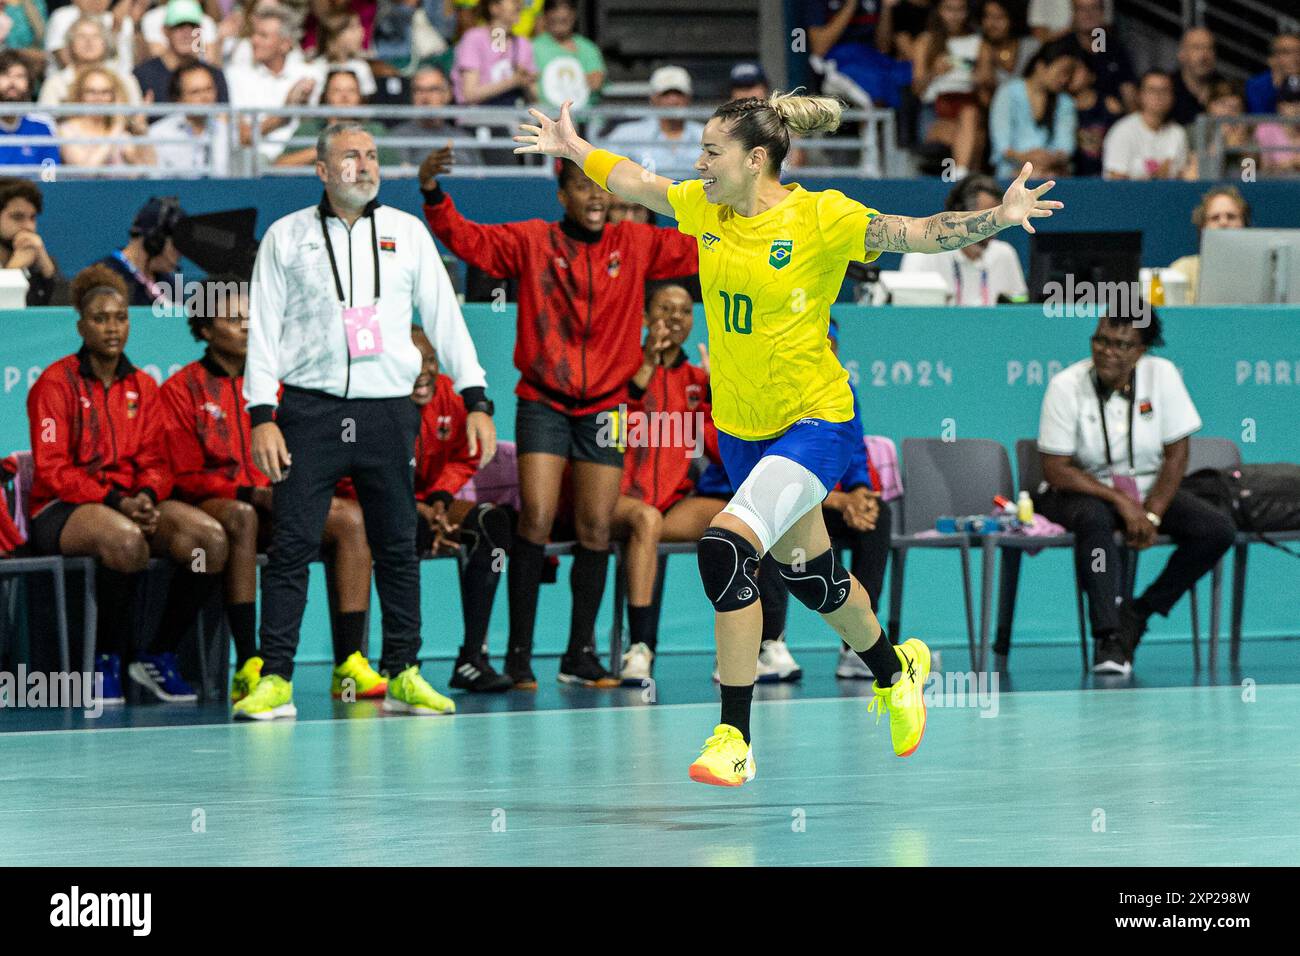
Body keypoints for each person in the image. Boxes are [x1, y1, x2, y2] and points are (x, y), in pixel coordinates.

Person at [514, 91, 1061, 782]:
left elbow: (917, 232)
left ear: (756, 158)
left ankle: (733, 738)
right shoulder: (705, 208)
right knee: (816, 582)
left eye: (712, 152)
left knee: (723, 549)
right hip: (743, 433)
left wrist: (999, 217)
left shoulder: (822, 216)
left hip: (814, 421)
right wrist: (574, 149)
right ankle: (899, 672)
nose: (700, 163)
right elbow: (635, 180)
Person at [237, 121, 495, 720]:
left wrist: (477, 400)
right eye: (350, 156)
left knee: (398, 546)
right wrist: (261, 415)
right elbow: (264, 334)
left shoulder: (407, 234)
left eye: (373, 155)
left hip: (387, 411)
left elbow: (446, 322)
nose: (365, 164)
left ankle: (403, 670)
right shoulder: (286, 236)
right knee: (293, 547)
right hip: (308, 410)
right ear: (323, 171)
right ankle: (275, 678)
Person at [418, 146, 698, 688]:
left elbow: (699, 248)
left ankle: (579, 654)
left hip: (607, 407)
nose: (596, 197)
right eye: (583, 187)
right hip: (543, 402)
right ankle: (520, 657)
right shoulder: (531, 240)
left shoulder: (637, 244)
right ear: (562, 194)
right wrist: (433, 197)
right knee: (537, 519)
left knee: (596, 527)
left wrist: (746, 209)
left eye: (603, 188)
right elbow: (469, 241)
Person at [162, 275, 382, 705]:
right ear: (204, 330)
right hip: (224, 507)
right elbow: (182, 474)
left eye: (252, 317)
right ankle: (250, 665)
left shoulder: (282, 384)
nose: (246, 325)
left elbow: (318, 455)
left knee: (351, 520)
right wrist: (248, 492)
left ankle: (351, 662)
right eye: (233, 318)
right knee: (242, 518)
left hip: (282, 503)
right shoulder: (181, 390)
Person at [26, 264, 230, 705]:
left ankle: (157, 652)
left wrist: (149, 494)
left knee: (207, 543)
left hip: (132, 504)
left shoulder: (143, 386)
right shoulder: (54, 384)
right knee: (125, 542)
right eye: (100, 318)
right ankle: (106, 659)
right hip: (62, 508)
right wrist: (116, 499)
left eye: (120, 317)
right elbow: (52, 468)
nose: (112, 327)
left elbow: (158, 459)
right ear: (81, 324)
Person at [1035, 309, 1235, 675]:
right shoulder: (1066, 385)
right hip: (1080, 488)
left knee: (1217, 530)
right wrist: (1122, 501)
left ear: (1142, 350)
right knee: (1094, 520)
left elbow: (1177, 455)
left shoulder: (1163, 376)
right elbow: (1056, 468)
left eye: (1121, 345)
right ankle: (1108, 635)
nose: (1108, 352)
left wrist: (1154, 512)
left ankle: (1138, 613)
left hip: (1146, 489)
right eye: (1101, 341)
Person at [610, 282, 718, 682]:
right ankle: (639, 649)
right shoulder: (621, 365)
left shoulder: (695, 378)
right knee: (645, 520)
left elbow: (719, 448)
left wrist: (716, 397)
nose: (675, 317)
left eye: (685, 310)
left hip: (669, 505)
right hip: (615, 502)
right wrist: (644, 367)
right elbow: (613, 427)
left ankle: (744, 648)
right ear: (643, 318)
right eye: (665, 309)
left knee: (739, 519)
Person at [405, 326, 515, 692]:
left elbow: (465, 455)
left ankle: (472, 659)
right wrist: (416, 506)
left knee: (491, 525)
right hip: (386, 503)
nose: (424, 370)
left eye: (431, 360)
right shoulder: (378, 401)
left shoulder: (452, 396)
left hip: (435, 500)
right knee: (407, 530)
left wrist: (439, 498)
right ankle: (403, 663)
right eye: (414, 360)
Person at [900, 173, 1027, 304]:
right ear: (959, 214)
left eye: (995, 220)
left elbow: (1020, 304)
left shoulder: (1004, 254)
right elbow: (907, 313)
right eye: (985, 220)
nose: (992, 230)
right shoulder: (921, 254)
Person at [225, 2, 320, 164]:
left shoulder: (309, 75)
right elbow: (243, 137)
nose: (254, 40)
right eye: (254, 34)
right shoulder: (235, 76)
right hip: (257, 162)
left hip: (300, 158)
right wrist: (284, 113)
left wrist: (305, 104)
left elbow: (318, 127)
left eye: (263, 36)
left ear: (285, 44)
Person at [911, 0, 982, 178]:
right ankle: (962, 178)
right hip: (935, 110)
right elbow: (916, 89)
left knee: (971, 119)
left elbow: (988, 81)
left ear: (967, 12)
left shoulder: (978, 42)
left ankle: (957, 177)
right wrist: (934, 71)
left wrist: (978, 77)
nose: (954, 16)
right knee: (972, 137)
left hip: (967, 102)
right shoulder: (925, 41)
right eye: (949, 9)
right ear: (939, 11)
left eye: (960, 10)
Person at [988, 39, 1078, 179]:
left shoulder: (1065, 102)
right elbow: (1002, 147)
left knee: (1048, 176)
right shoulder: (1008, 92)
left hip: (1052, 173)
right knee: (1036, 176)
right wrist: (1026, 158)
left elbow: (1066, 147)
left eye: (1068, 75)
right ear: (1041, 66)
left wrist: (1049, 159)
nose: (1064, 79)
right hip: (1011, 173)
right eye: (1061, 72)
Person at [274, 68, 400, 166]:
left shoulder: (375, 131)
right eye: (337, 91)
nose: (344, 96)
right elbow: (278, 166)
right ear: (326, 97)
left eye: (351, 91)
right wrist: (324, 150)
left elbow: (395, 171)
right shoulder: (309, 129)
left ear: (360, 98)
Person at [604, 66, 705, 178]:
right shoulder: (625, 135)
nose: (673, 100)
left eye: (679, 94)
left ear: (688, 98)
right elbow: (606, 171)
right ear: (653, 99)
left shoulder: (706, 135)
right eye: (665, 94)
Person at [146, 57, 232, 176]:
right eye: (195, 92)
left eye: (209, 89)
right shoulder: (158, 135)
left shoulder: (229, 134)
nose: (205, 97)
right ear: (178, 99)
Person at [57, 66, 156, 169]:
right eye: (91, 92)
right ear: (80, 95)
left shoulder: (121, 134)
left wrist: (141, 132)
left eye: (105, 92)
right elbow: (86, 172)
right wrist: (117, 126)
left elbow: (147, 169)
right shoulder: (67, 130)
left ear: (114, 97)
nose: (98, 98)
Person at [133, 0, 231, 104]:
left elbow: (224, 116)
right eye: (179, 26)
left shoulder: (215, 76)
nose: (186, 33)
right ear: (165, 30)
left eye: (192, 26)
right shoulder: (143, 75)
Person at [1165, 185, 1250, 304]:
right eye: (1215, 218)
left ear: (1244, 224)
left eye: (1231, 217)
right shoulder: (1183, 270)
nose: (1223, 222)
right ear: (1202, 227)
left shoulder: (1263, 273)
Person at [95, 196, 183, 308]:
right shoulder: (101, 278)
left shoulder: (168, 283)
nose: (181, 253)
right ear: (154, 242)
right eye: (177, 245)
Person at [39, 15, 144, 107]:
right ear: (70, 45)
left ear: (106, 43)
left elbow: (139, 123)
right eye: (81, 36)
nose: (89, 41)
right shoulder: (55, 84)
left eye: (96, 36)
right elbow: (44, 124)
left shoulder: (125, 81)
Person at [1101, 70, 1188, 180]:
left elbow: (1182, 176)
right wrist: (1158, 173)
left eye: (1164, 90)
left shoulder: (1178, 133)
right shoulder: (1123, 131)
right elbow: (1115, 179)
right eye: (1152, 90)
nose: (1158, 96)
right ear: (1140, 95)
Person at [389, 65, 483, 166]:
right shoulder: (399, 137)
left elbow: (481, 177)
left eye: (433, 90)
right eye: (418, 90)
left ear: (447, 95)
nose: (425, 97)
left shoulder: (464, 138)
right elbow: (402, 176)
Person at [452, 0, 536, 106]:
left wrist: (527, 82)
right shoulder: (474, 38)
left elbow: (533, 98)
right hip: (478, 118)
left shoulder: (523, 44)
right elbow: (469, 94)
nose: (519, 3)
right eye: (513, 1)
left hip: (513, 118)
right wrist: (513, 81)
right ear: (494, 7)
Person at [1061, 0, 1135, 113]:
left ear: (1103, 13)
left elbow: (1129, 92)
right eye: (1082, 9)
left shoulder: (1113, 48)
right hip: (1068, 115)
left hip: (1111, 118)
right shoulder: (1062, 47)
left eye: (1094, 8)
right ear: (1074, 13)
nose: (1088, 14)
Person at [0, 176, 63, 306]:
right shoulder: (19, 264)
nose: (29, 227)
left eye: (32, 218)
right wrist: (13, 272)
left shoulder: (41, 264)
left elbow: (65, 318)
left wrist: (49, 273)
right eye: (17, 217)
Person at [531, 0, 604, 111]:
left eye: (564, 20)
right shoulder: (533, 48)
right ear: (545, 17)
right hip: (548, 121)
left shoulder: (588, 48)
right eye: (555, 18)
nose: (560, 16)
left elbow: (596, 83)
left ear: (574, 16)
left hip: (585, 119)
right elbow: (531, 89)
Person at [0, 49, 60, 168]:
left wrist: (46, 184)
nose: (12, 82)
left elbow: (49, 174)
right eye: (5, 75)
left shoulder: (42, 125)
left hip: (31, 187)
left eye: (19, 76)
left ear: (29, 83)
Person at [972, 0, 1037, 109]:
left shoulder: (1031, 47)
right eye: (987, 17)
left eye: (999, 17)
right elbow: (985, 101)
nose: (991, 24)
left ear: (1012, 19)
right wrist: (986, 64)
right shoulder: (976, 48)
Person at [1068, 52, 1121, 177]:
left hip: (1102, 174)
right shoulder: (1060, 106)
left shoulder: (1110, 105)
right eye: (1069, 68)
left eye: (1077, 68)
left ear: (1091, 75)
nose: (1071, 73)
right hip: (1072, 176)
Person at [44, 0, 136, 71]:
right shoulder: (62, 16)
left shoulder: (122, 21)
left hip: (114, 83)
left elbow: (127, 64)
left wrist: (116, 29)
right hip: (66, 84)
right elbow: (65, 63)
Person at [310, 8, 376, 96]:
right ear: (335, 35)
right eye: (353, 28)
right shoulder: (315, 69)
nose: (361, 32)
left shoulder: (361, 67)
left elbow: (367, 103)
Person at [1168, 27, 1218, 128]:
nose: (1204, 56)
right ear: (1181, 54)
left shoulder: (1225, 89)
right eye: (1196, 48)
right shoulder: (1168, 88)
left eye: (1209, 48)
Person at [1254, 74, 1300, 175]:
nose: (1297, 107)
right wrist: (1290, 164)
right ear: (1280, 105)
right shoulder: (1266, 129)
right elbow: (1259, 173)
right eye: (1290, 101)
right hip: (1277, 188)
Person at [1245, 32, 1300, 115]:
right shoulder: (1256, 85)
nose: (1295, 58)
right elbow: (1257, 120)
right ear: (1272, 59)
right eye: (1287, 52)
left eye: (1298, 52)